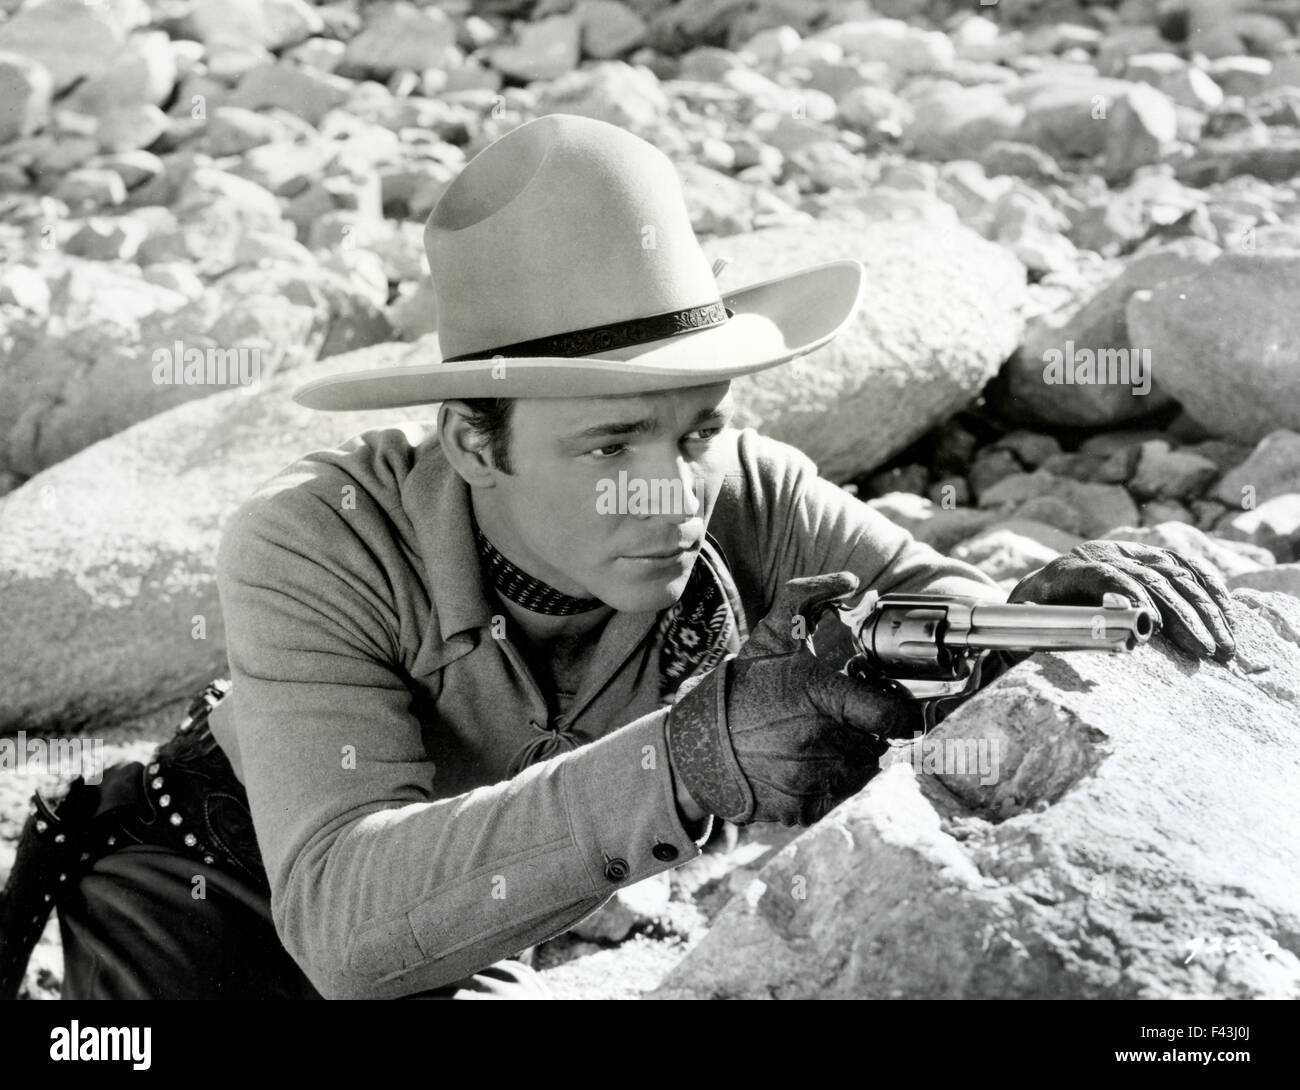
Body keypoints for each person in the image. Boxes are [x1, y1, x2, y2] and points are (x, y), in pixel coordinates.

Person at [24, 113, 1235, 1001]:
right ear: (473, 439)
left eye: (697, 426)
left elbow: (932, 614)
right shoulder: (317, 541)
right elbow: (343, 921)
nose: (672, 485)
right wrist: (697, 756)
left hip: (473, 932)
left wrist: (1048, 612)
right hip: (202, 906)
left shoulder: (745, 491)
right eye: (610, 441)